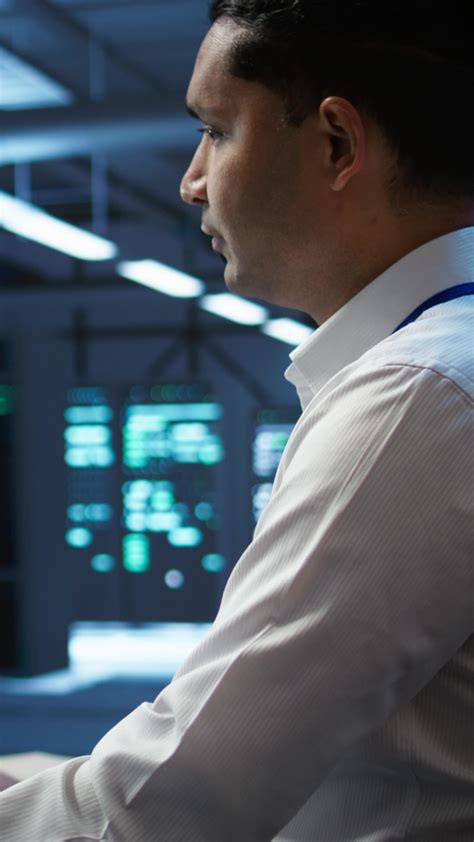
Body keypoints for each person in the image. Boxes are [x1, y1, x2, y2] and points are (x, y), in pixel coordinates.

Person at [1, 1, 473, 839]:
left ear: (337, 144)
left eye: (217, 131)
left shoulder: (415, 397)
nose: (192, 180)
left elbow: (167, 808)